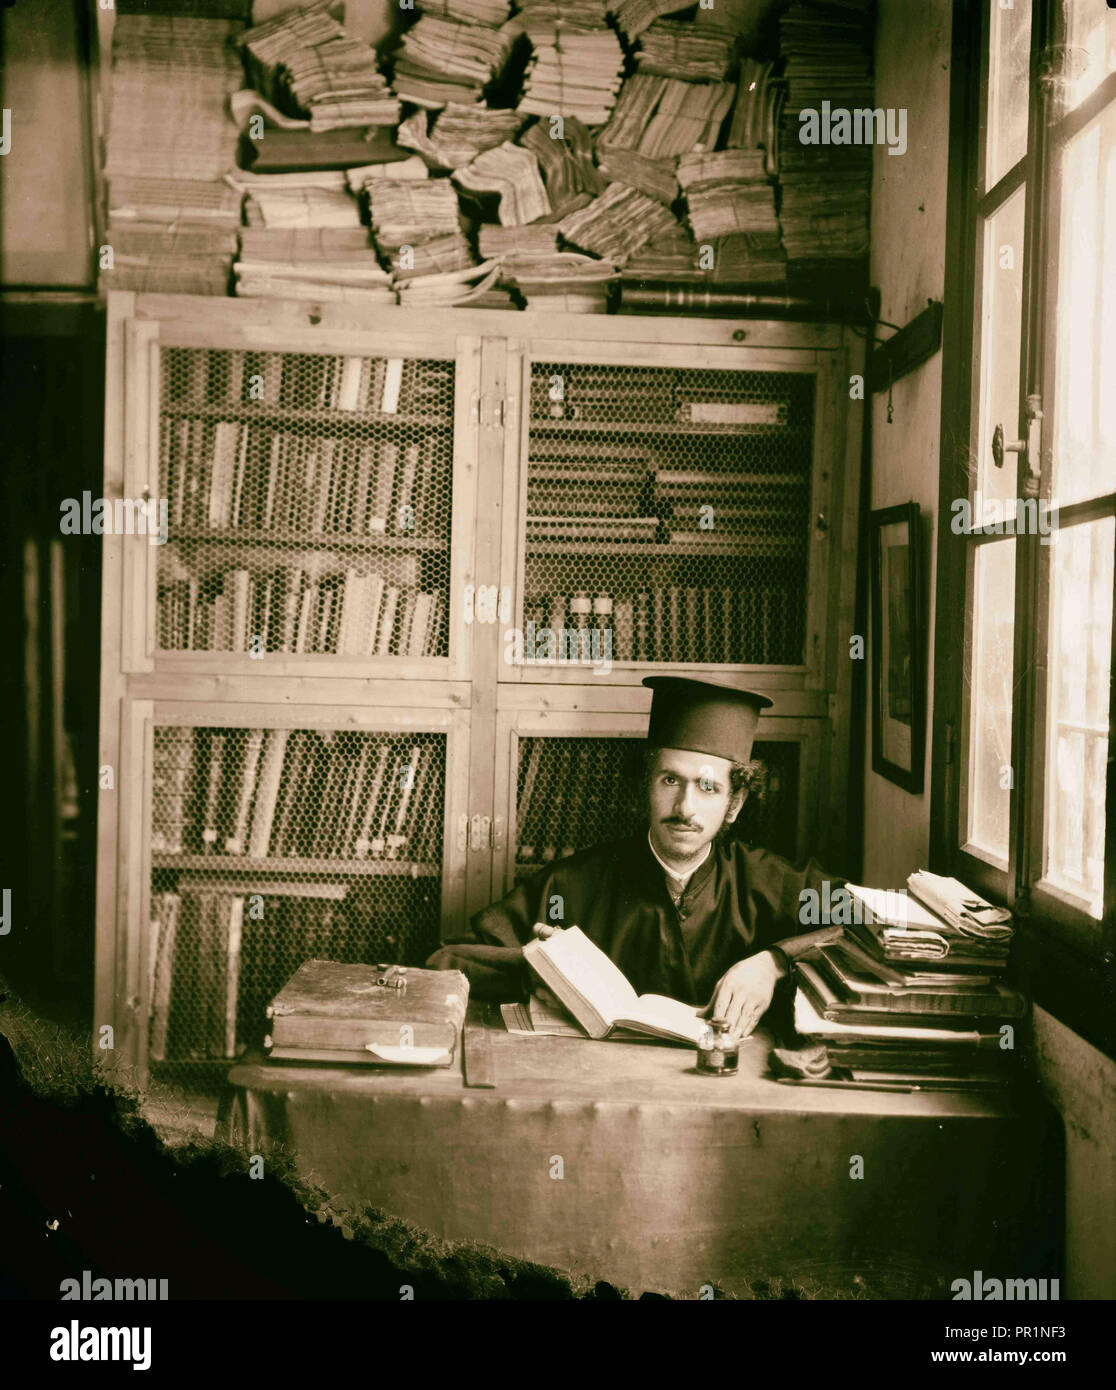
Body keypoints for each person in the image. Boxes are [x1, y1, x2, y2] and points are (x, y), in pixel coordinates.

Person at [427, 676, 843, 1037]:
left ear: (734, 804)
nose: (685, 807)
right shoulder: (572, 884)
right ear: (645, 786)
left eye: (708, 788)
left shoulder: (770, 881)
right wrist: (541, 964)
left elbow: (878, 925)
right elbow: (446, 961)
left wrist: (773, 963)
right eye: (669, 780)